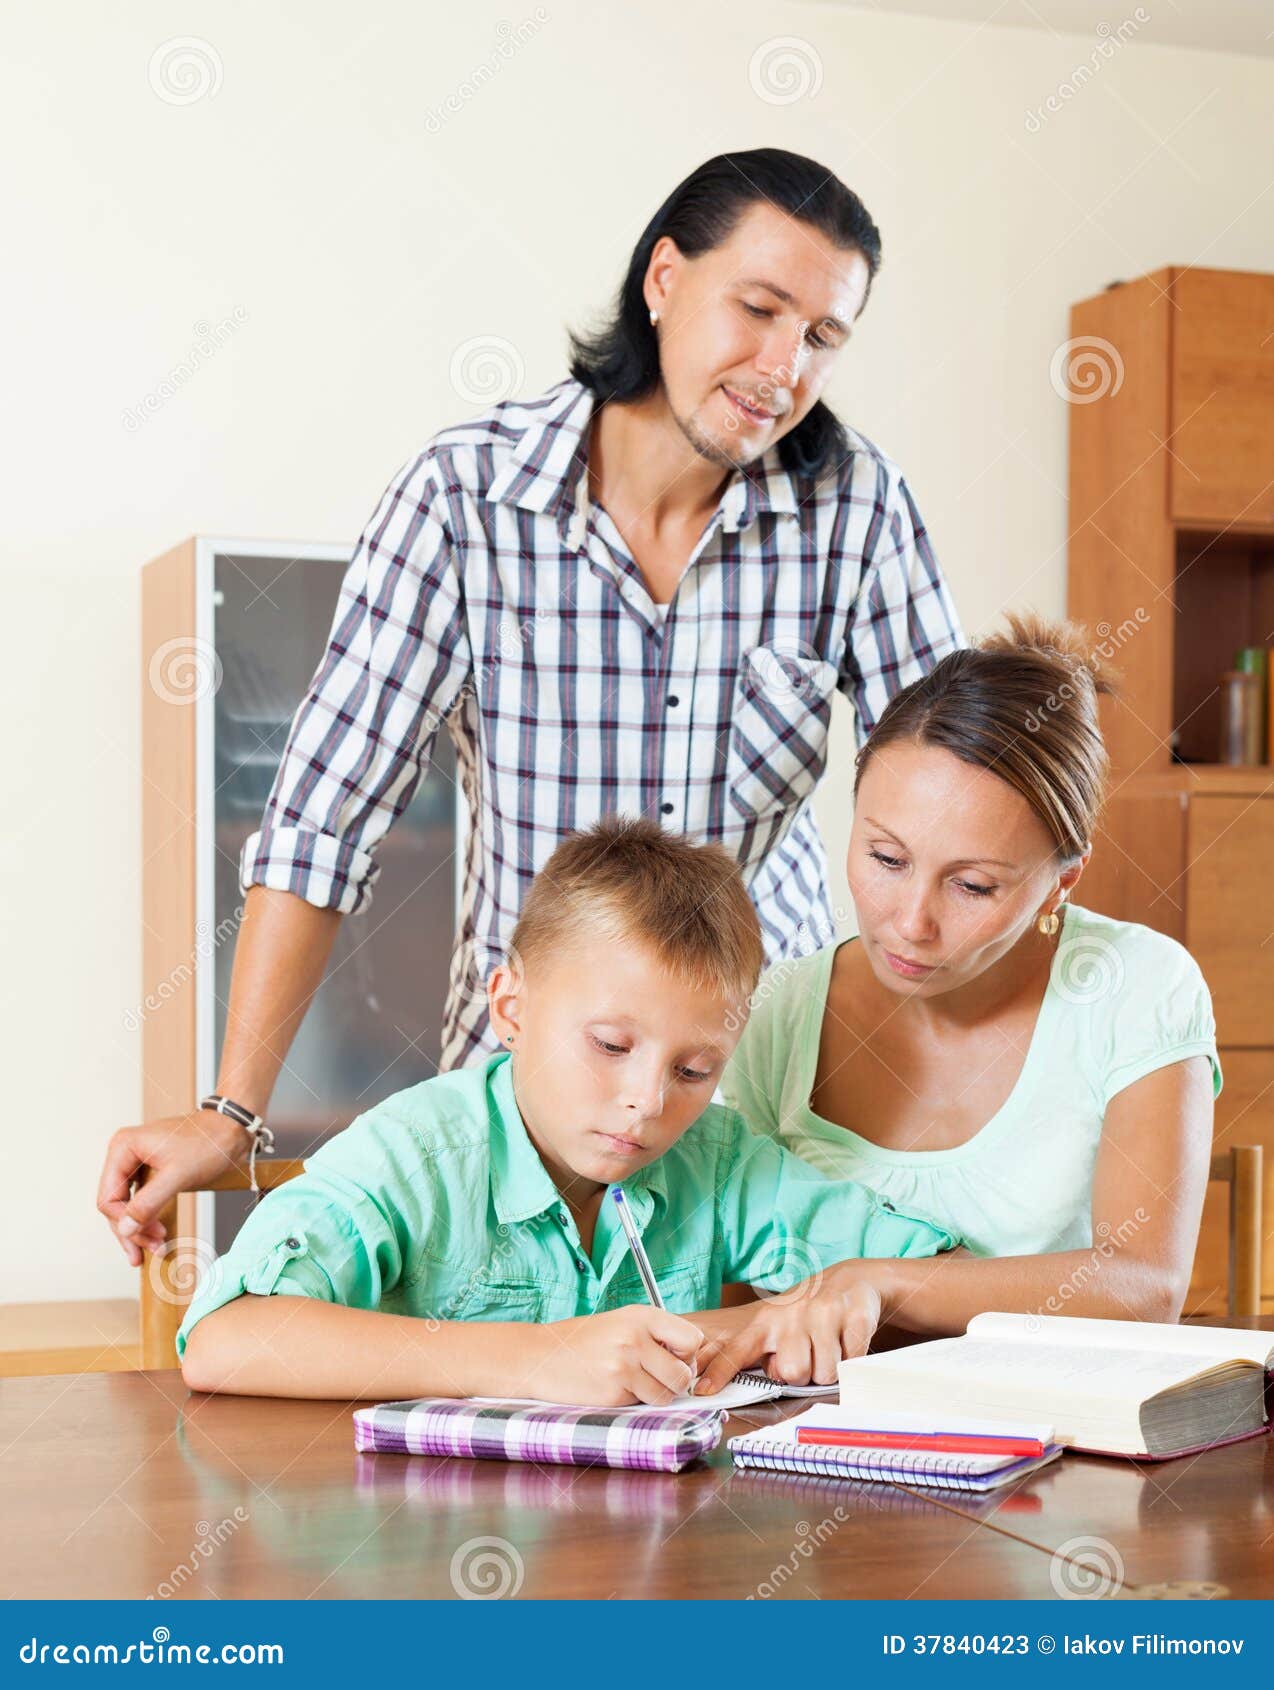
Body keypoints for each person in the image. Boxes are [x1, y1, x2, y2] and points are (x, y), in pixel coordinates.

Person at [100, 146, 962, 1261]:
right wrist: (232, 1113)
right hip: (523, 1112)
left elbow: (950, 801)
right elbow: (323, 818)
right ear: (662, 279)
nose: (780, 365)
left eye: (821, 338)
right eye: (757, 308)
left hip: (755, 1110)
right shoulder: (464, 497)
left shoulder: (855, 510)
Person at [177, 819, 957, 1404]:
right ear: (511, 1007)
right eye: (611, 1046)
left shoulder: (717, 1159)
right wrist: (540, 1356)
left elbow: (939, 1283)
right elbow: (224, 1338)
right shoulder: (417, 1152)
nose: (648, 1102)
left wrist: (851, 1291)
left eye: (694, 1070)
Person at [694, 614, 1220, 1394]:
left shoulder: (1138, 987)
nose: (910, 922)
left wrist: (885, 1282)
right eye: (885, 858)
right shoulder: (780, 1010)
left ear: (1062, 880)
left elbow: (1145, 1287)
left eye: (973, 885)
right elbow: (734, 1291)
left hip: (1054, 1464)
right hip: (808, 1450)